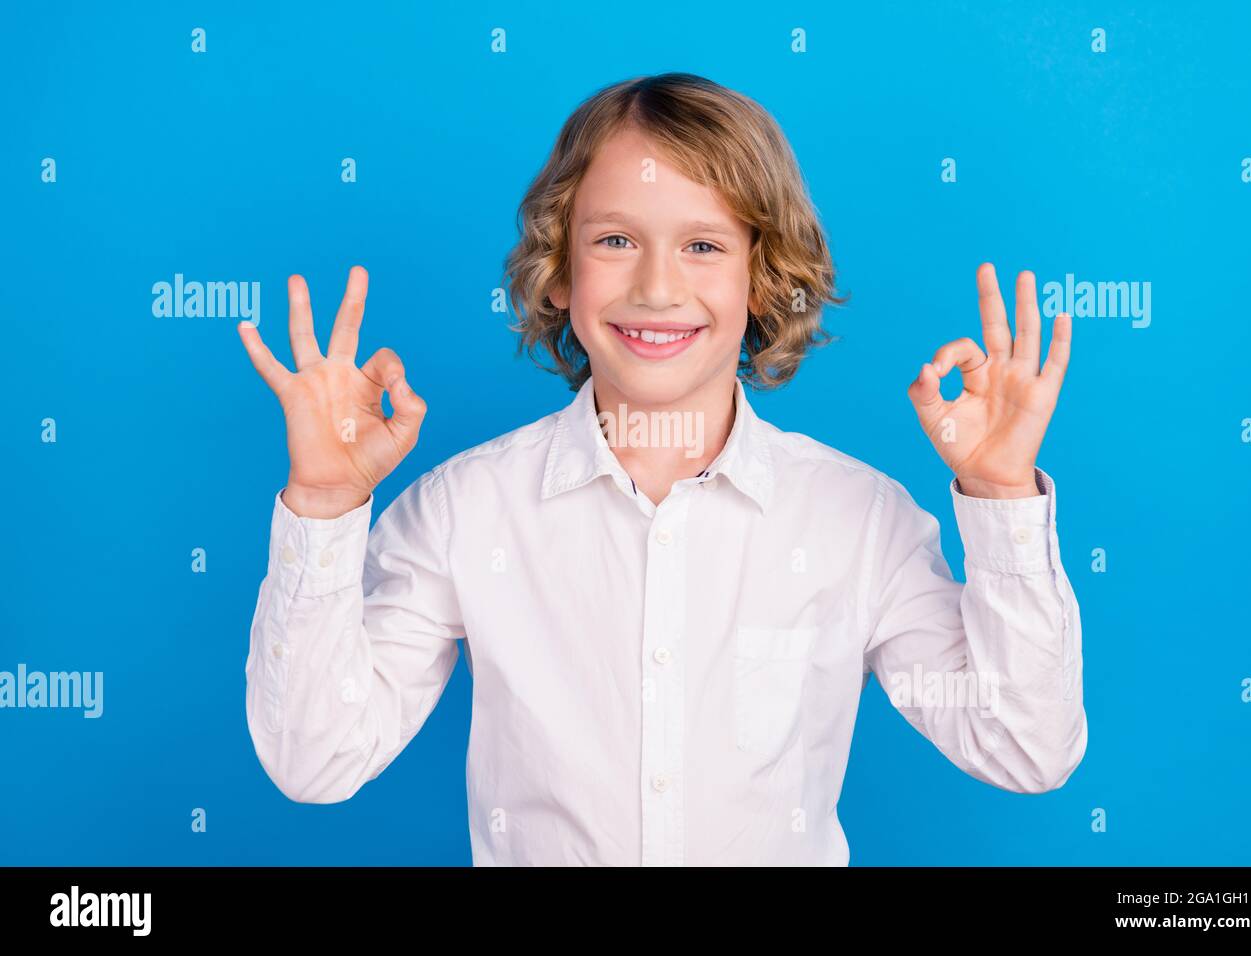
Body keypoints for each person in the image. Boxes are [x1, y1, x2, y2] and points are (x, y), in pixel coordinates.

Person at [236, 72, 1085, 866]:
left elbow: (1024, 749)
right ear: (559, 272)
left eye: (703, 246)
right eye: (615, 240)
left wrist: (1001, 494)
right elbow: (316, 761)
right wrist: (323, 502)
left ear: (762, 279)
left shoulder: (860, 520)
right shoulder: (465, 510)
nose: (656, 287)